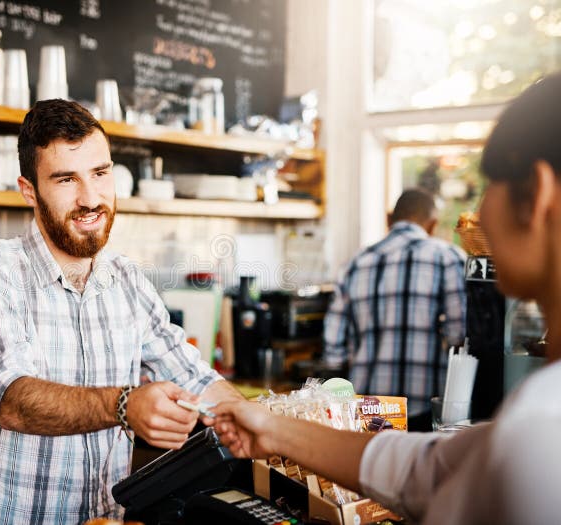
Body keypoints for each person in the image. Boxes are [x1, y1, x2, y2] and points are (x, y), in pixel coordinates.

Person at [211, 73, 561, 524]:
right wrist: (277, 428)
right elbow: (430, 467)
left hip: (367, 405)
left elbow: (335, 350)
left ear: (536, 195)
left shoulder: (539, 430)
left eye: (486, 183)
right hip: (416, 409)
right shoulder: (533, 422)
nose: (477, 211)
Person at [0, 99, 242, 524]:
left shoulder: (128, 279)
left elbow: (195, 379)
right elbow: (13, 401)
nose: (90, 198)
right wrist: (124, 405)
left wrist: (273, 425)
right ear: (30, 190)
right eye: (65, 179)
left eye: (100, 173)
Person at [322, 187, 467, 430]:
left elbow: (333, 349)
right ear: (432, 225)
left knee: (369, 468)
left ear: (389, 219)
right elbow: (458, 335)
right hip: (425, 405)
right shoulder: (449, 258)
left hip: (368, 409)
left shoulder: (355, 263)